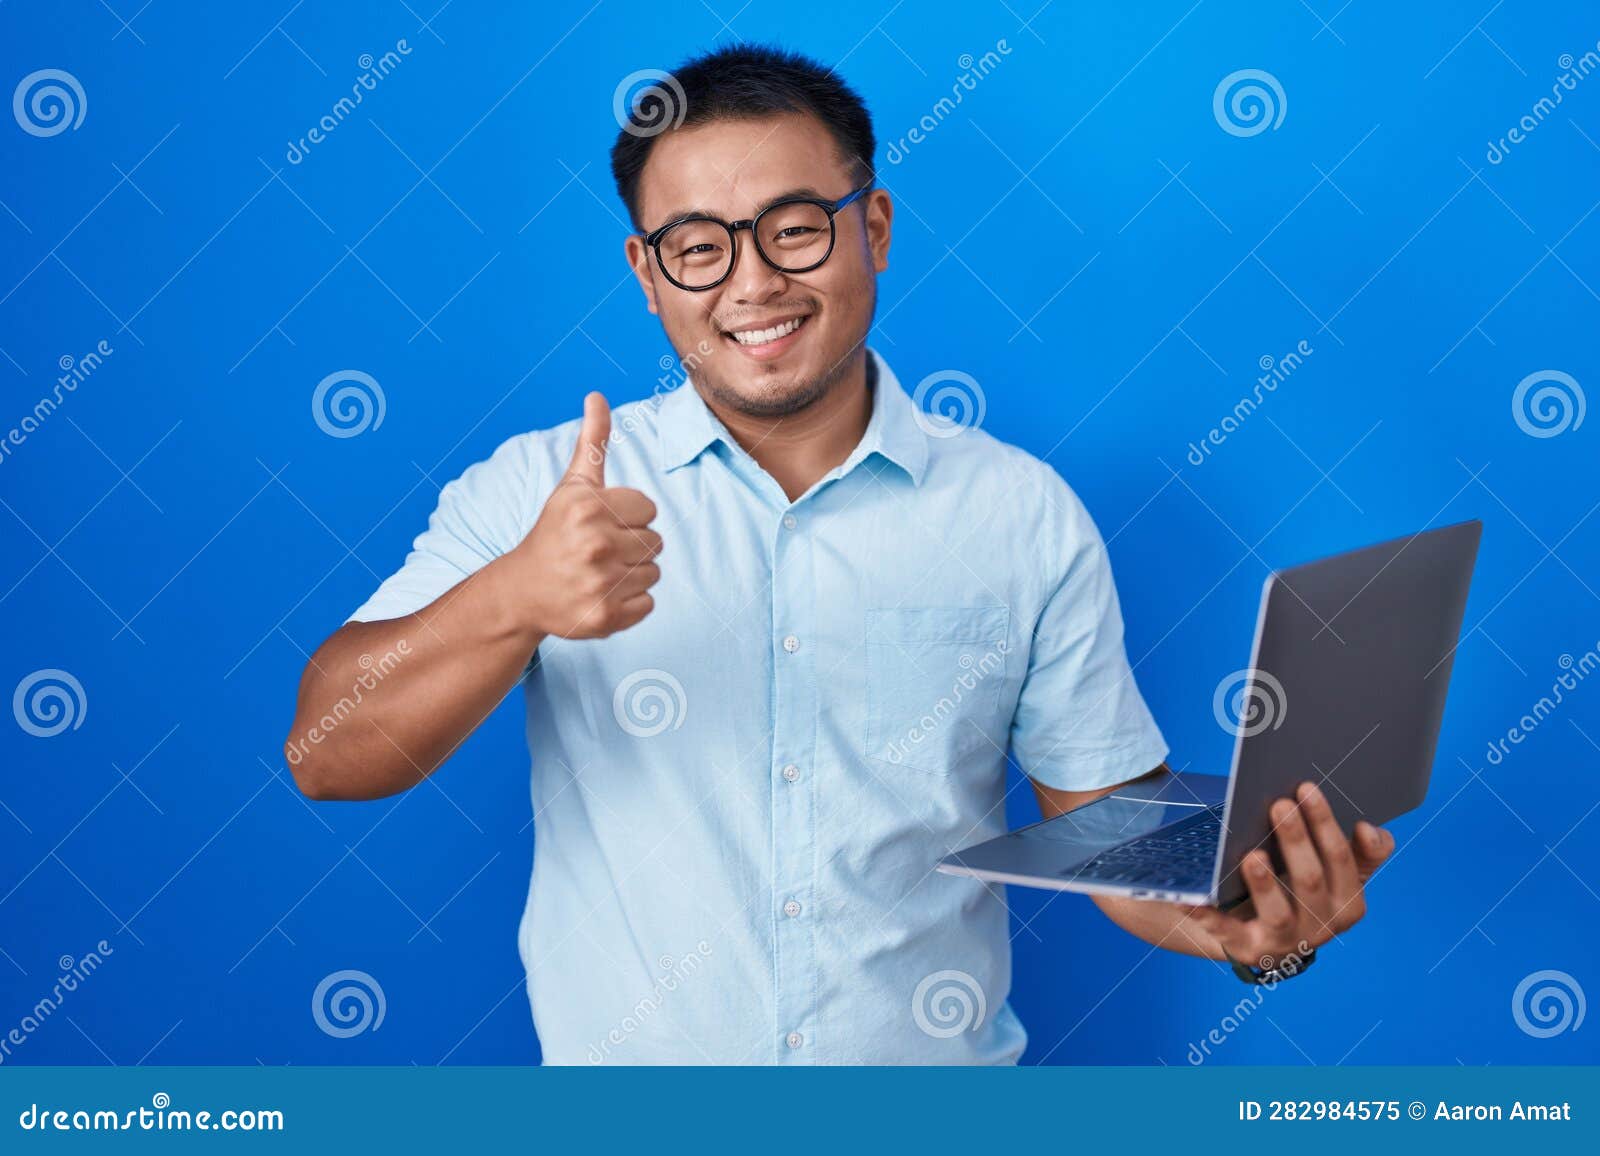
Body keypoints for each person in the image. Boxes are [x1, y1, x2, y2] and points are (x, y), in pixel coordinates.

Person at [285, 44, 1394, 1064]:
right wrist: (513, 597)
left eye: (797, 225)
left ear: (874, 228)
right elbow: (327, 757)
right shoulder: (540, 490)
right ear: (645, 271)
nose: (753, 281)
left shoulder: (1019, 512)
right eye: (697, 247)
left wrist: (1262, 926)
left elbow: (1103, 825)